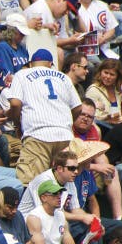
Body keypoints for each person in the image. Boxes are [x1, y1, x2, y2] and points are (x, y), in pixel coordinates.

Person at [9, 49, 83, 184]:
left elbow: (15, 103)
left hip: (38, 136)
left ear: (31, 64)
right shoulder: (63, 77)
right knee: (60, 184)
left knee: (32, 185)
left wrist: (17, 124)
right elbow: (78, 107)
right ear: (50, 64)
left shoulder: (22, 74)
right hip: (64, 137)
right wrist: (66, 123)